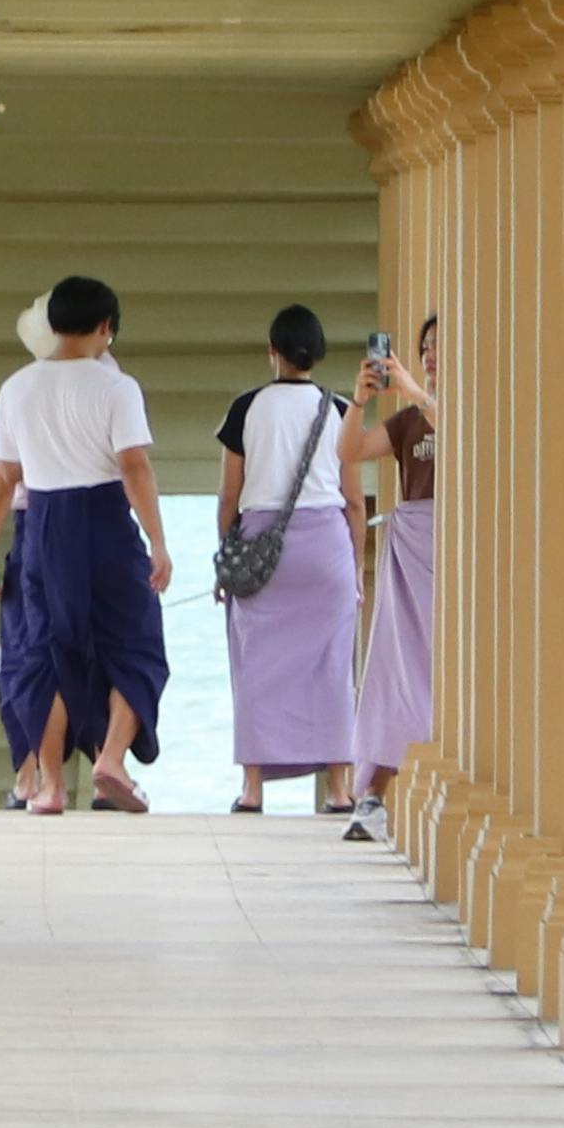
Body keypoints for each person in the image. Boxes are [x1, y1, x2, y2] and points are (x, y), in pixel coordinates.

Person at [0, 272, 170, 814]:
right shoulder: (116, 387)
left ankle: (51, 787)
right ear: (106, 328)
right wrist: (157, 541)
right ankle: (110, 759)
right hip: (105, 517)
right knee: (136, 641)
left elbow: (1, 480)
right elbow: (135, 466)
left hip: (41, 526)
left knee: (46, 652)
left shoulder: (17, 387)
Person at [214, 303, 365, 816]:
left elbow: (229, 497)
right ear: (317, 355)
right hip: (325, 548)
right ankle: (339, 789)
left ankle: (253, 789)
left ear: (272, 352)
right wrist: (356, 568)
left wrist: (227, 557)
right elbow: (354, 500)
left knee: (256, 665)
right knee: (332, 668)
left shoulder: (245, 409)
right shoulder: (342, 409)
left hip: (263, 547)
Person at [346, 315, 442, 838]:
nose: (428, 356)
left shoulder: (471, 410)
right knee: (394, 667)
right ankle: (373, 794)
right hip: (413, 553)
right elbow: (351, 452)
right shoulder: (407, 421)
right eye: (424, 348)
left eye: (439, 347)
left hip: (459, 557)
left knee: (445, 672)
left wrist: (413, 390)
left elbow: (468, 437)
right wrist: (359, 402)